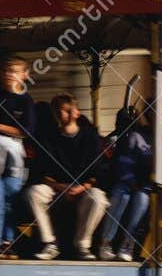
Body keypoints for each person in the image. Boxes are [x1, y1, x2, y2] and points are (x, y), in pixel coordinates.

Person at [95, 100, 162, 261]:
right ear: (148, 115)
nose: (158, 115)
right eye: (153, 112)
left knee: (143, 198)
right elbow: (125, 166)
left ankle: (128, 243)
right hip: (141, 185)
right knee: (128, 195)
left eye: (161, 112)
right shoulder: (137, 137)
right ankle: (108, 243)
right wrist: (133, 181)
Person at [25, 94, 109, 260]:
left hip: (83, 189)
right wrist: (60, 187)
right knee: (33, 193)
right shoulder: (49, 138)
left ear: (76, 113)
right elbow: (41, 173)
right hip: (57, 189)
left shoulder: (90, 137)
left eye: (64, 110)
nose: (60, 114)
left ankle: (82, 246)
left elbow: (98, 173)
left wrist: (82, 187)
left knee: (98, 198)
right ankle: (50, 243)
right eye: (58, 111)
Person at [0, 56, 36, 256]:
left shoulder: (25, 100)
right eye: (7, 70)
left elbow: (26, 130)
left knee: (11, 200)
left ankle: (7, 240)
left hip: (15, 155)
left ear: (24, 75)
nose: (9, 75)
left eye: (15, 71)